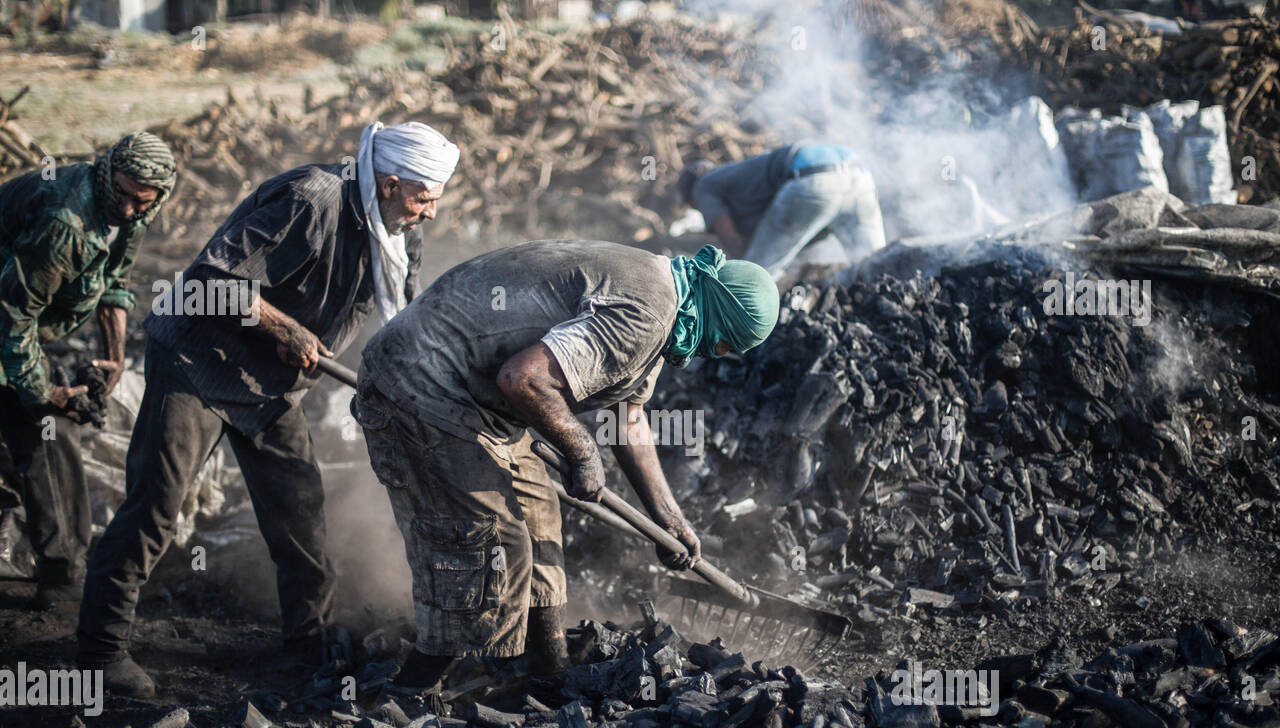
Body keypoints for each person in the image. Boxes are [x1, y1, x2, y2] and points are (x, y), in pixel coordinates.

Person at [75, 121, 459, 698]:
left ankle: (306, 644)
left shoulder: (397, 233)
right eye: (424, 197)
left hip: (270, 381)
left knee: (299, 510)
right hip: (199, 360)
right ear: (390, 182)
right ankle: (100, 652)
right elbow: (208, 280)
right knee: (157, 504)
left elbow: (403, 319)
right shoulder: (311, 200)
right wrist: (285, 325)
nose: (430, 211)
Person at [352, 240, 778, 693]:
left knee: (539, 515)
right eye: (725, 342)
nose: (715, 351)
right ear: (720, 314)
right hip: (422, 382)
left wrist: (669, 518)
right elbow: (524, 378)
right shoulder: (648, 313)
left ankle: (548, 671)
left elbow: (626, 417)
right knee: (492, 541)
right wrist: (582, 451)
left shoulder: (671, 301)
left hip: (477, 397)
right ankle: (411, 692)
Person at [0, 132, 175, 609]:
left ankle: (60, 573)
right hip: (10, 317)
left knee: (49, 435)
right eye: (122, 194)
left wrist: (114, 357)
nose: (129, 208)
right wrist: (48, 393)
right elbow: (12, 314)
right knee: (43, 420)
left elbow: (116, 283)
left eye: (142, 201)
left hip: (24, 324)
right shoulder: (66, 224)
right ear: (107, 174)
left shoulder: (134, 212)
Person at [678, 142, 886, 281]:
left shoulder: (702, 185)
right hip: (860, 176)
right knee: (876, 268)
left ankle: (748, 339)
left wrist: (746, 263)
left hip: (811, 180)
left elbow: (727, 232)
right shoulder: (736, 177)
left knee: (755, 276)